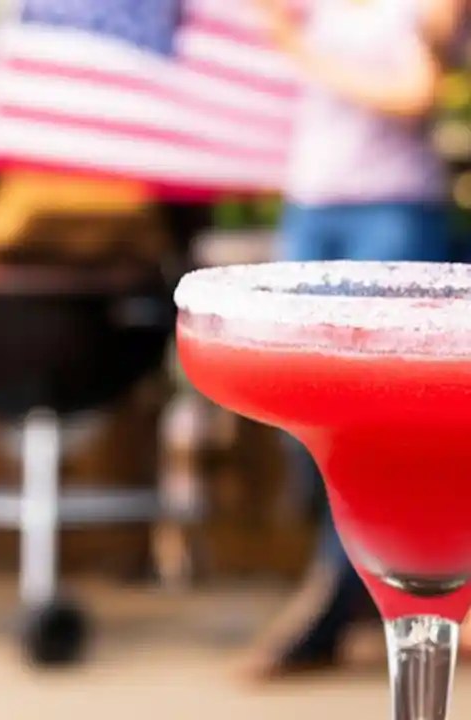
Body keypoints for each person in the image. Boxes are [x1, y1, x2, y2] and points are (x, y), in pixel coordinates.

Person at [244, 0, 465, 678]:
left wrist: (299, 50)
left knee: (386, 429)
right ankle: (352, 594)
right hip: (311, 209)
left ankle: (348, 600)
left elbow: (414, 95)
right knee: (304, 422)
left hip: (391, 214)